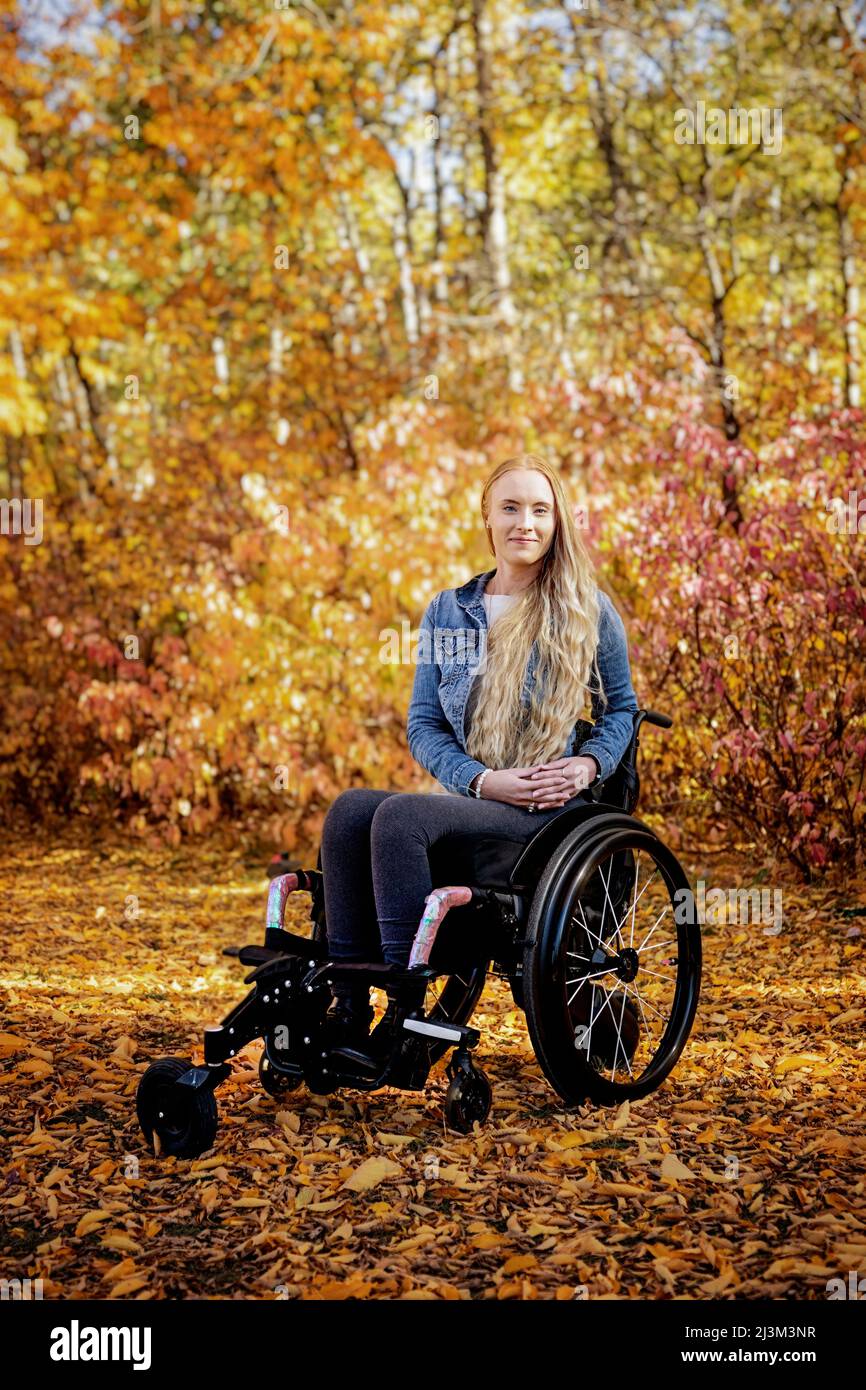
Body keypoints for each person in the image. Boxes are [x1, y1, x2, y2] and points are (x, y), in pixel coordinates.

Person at [318, 453, 639, 1066]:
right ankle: (349, 1007)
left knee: (400, 820)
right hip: (481, 794)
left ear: (557, 522)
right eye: (511, 508)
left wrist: (588, 766)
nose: (526, 523)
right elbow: (425, 723)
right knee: (350, 811)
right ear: (486, 519)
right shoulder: (449, 611)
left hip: (546, 810)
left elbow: (621, 709)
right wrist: (482, 779)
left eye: (540, 510)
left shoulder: (586, 610)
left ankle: (406, 1007)